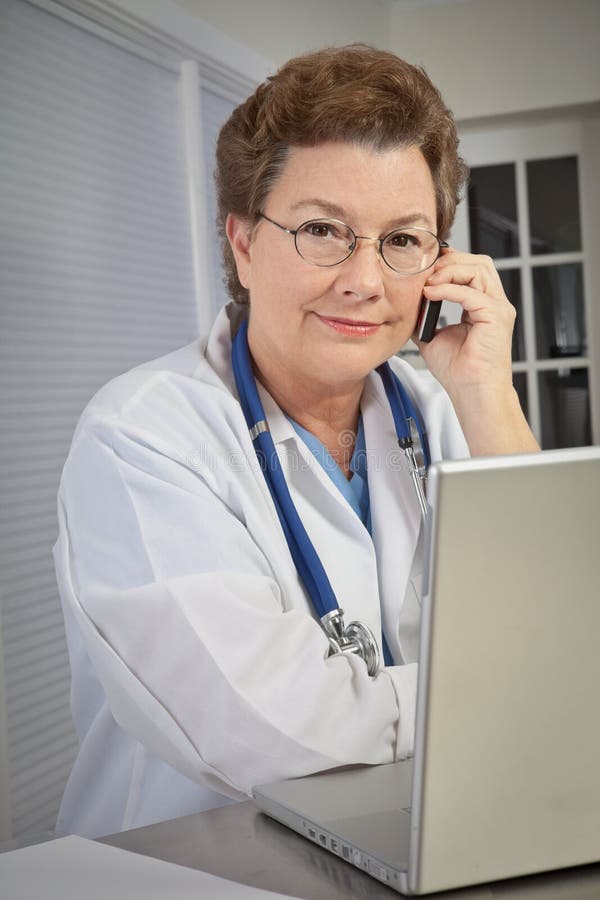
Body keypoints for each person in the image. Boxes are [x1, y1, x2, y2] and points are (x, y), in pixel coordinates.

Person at [53, 44, 539, 839]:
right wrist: (505, 695)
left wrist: (490, 397)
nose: (366, 280)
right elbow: (271, 738)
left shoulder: (440, 409)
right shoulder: (142, 434)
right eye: (323, 230)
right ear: (242, 243)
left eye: (404, 240)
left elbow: (563, 623)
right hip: (191, 869)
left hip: (424, 843)